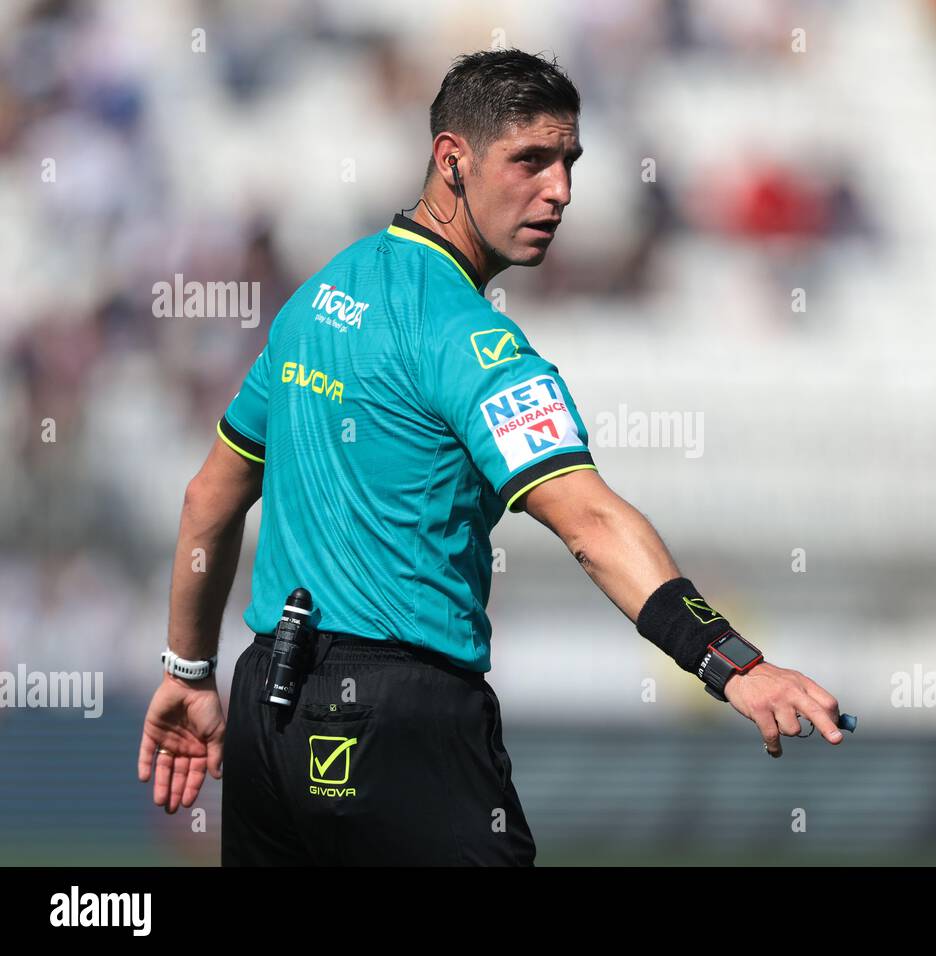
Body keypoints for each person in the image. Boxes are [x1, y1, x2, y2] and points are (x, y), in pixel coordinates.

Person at [137, 48, 845, 866]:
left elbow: (208, 502)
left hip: (269, 712)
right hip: (402, 721)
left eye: (569, 162)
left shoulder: (316, 301)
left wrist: (190, 674)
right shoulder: (475, 344)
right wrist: (729, 662)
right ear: (452, 161)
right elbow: (588, 521)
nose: (562, 190)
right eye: (531, 161)